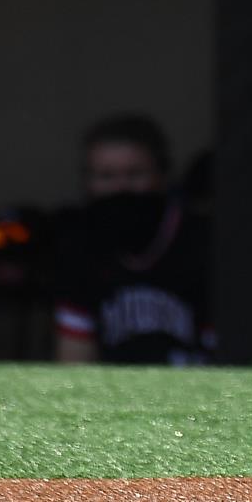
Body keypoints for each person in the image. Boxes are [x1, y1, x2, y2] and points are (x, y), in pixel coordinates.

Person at [51, 113, 213, 364]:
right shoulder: (79, 245)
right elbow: (74, 360)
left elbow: (229, 357)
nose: (121, 187)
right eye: (106, 176)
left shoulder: (202, 241)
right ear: (88, 182)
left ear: (162, 175)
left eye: (135, 174)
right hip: (110, 397)